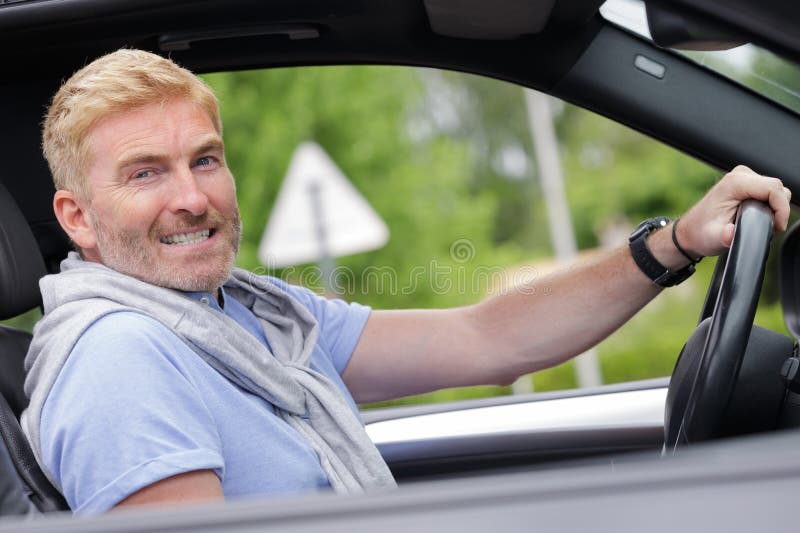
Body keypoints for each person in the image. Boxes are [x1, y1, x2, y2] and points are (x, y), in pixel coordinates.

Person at [21, 49, 791, 514]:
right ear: (78, 218)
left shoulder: (255, 314)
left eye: (205, 158)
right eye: (145, 173)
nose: (192, 196)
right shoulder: (119, 359)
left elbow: (483, 337)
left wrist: (676, 242)